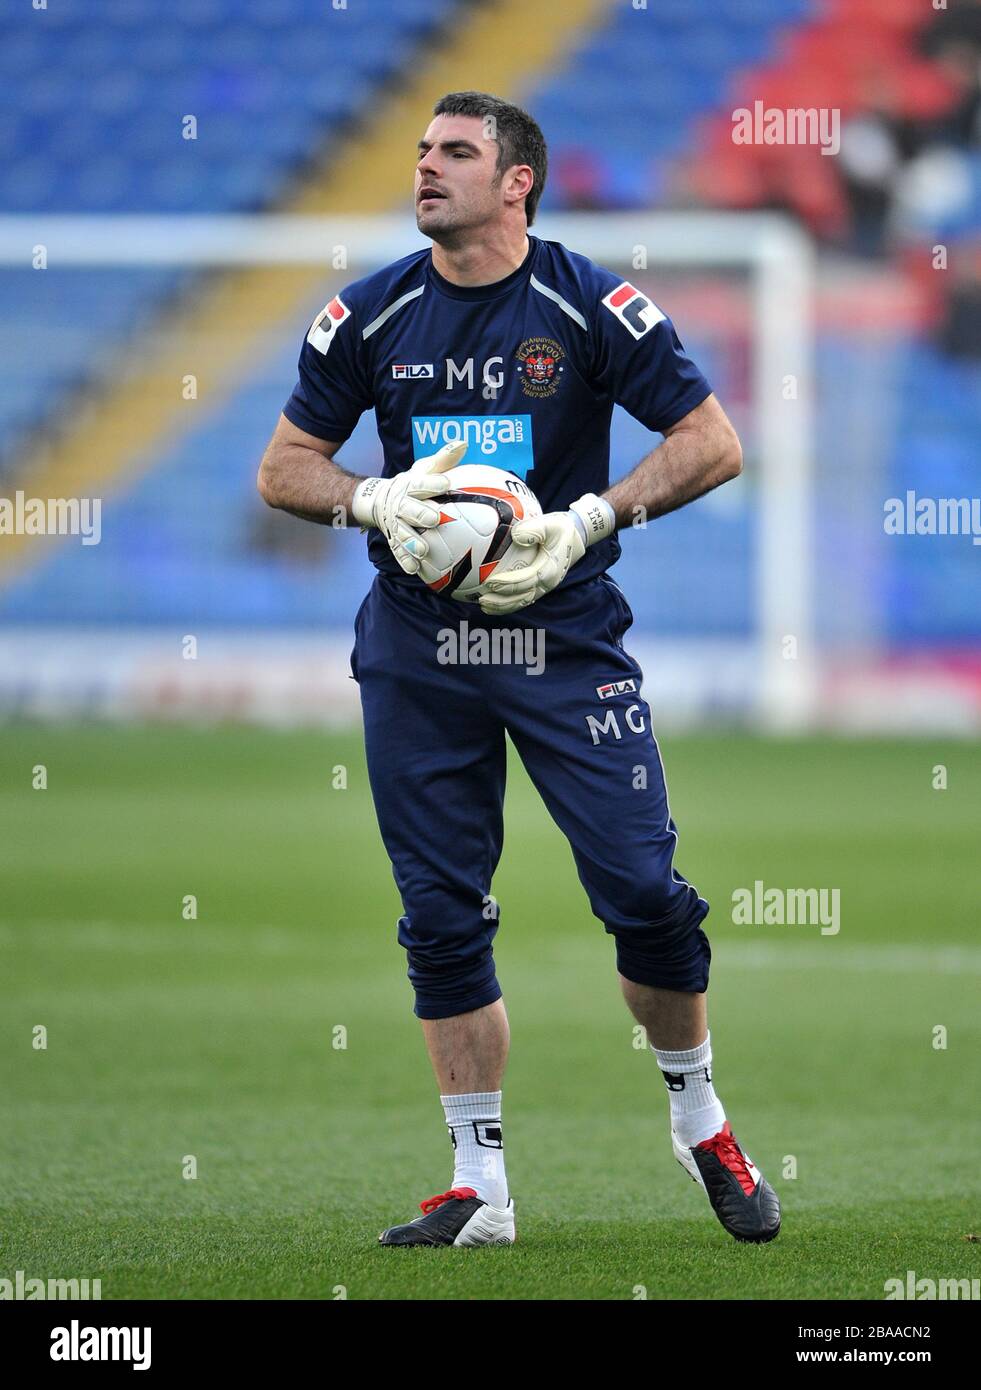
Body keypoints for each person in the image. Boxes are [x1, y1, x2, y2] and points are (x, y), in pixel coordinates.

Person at [257, 91, 780, 1248]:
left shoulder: (588, 302)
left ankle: (701, 1121)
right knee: (440, 917)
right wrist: (371, 498)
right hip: (418, 649)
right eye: (421, 151)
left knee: (645, 894)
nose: (426, 168)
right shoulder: (369, 313)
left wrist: (592, 518)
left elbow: (712, 439)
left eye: (455, 153)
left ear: (517, 182)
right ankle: (478, 1187)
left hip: (563, 637)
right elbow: (284, 465)